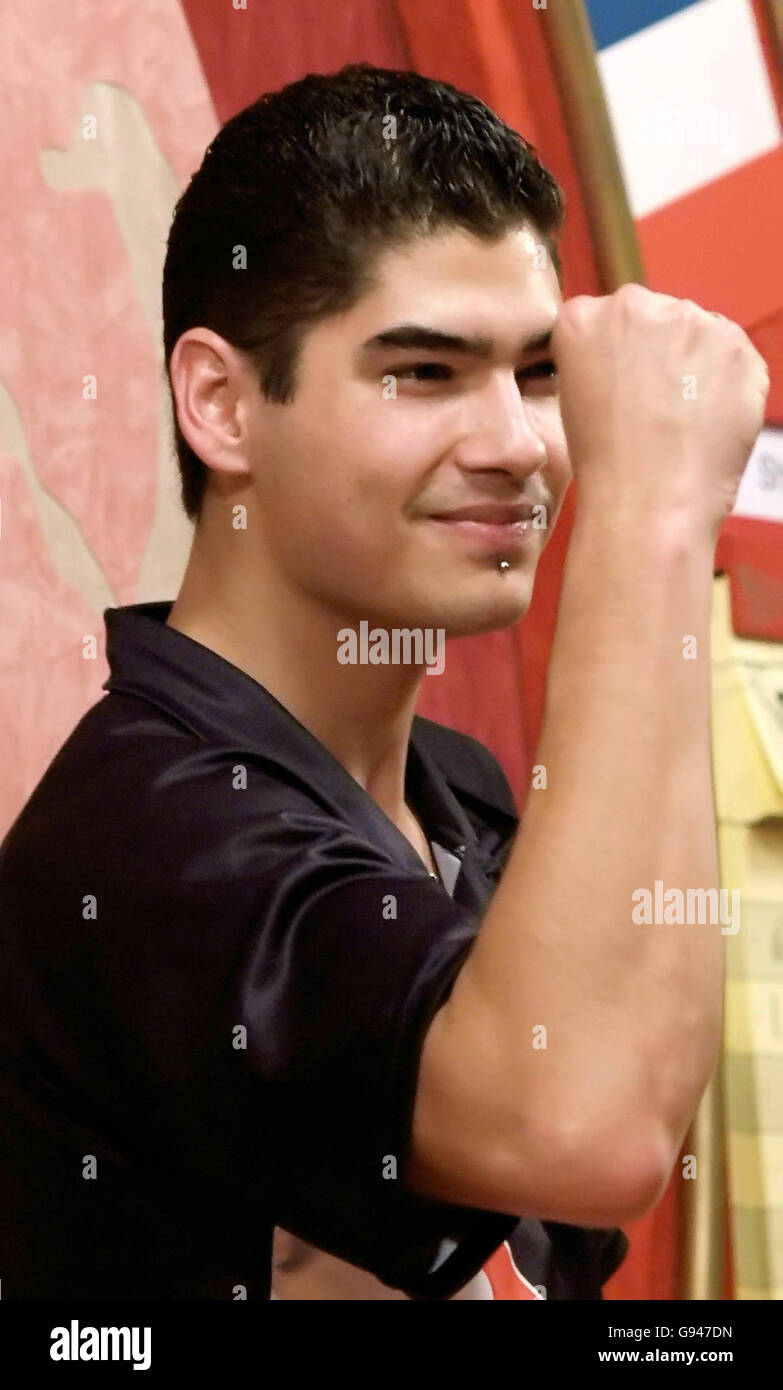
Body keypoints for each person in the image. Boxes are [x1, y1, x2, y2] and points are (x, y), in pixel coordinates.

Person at [0, 64, 768, 1301]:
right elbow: (584, 1122)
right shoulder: (145, 836)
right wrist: (655, 510)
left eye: (536, 373)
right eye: (423, 372)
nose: (517, 444)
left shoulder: (461, 799)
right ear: (221, 404)